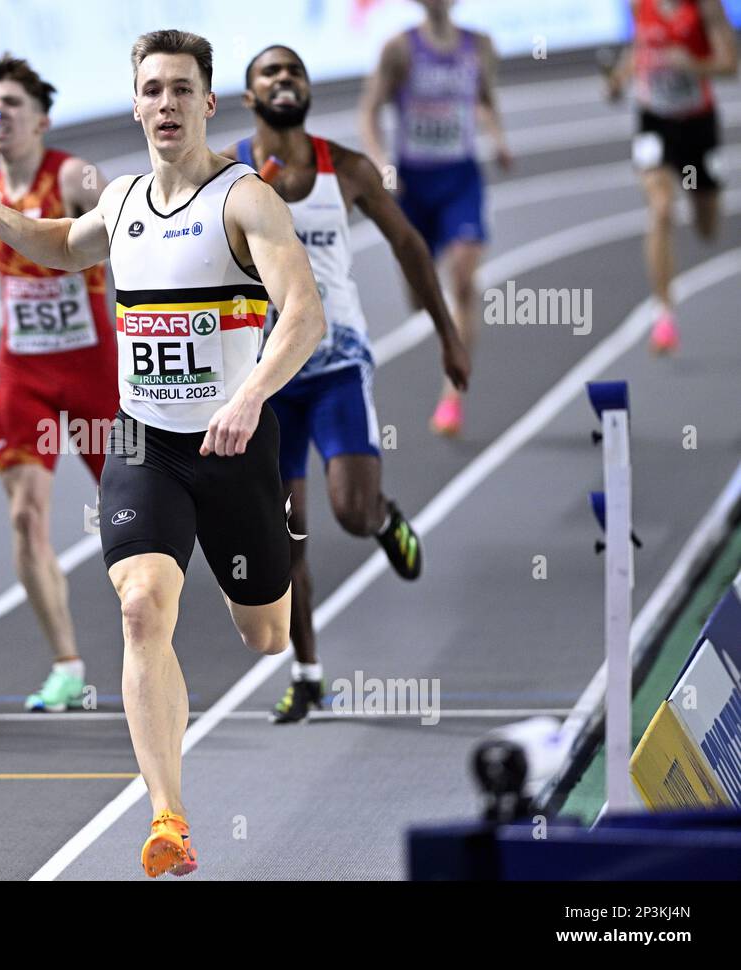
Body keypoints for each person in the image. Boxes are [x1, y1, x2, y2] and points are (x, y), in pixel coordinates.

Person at [0, 29, 326, 877]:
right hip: (142, 438)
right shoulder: (121, 202)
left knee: (266, 635)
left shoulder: (246, 201)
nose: (165, 104)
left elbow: (305, 316)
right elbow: (63, 244)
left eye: (180, 90)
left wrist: (248, 398)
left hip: (232, 443)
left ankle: (259, 576)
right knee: (139, 610)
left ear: (208, 104)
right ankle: (168, 818)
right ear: (135, 103)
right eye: (151, 89)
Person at [224, 45, 470, 723]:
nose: (283, 80)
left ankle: (385, 518)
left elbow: (411, 247)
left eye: (294, 71)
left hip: (335, 364)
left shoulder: (349, 170)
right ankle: (308, 674)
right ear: (249, 98)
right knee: (288, 534)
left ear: (307, 89)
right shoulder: (230, 176)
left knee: (350, 512)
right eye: (268, 74)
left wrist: (449, 336)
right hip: (267, 378)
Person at [0, 54, 117, 713]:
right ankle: (67, 664)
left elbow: (124, 232)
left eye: (14, 101)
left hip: (93, 364)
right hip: (26, 370)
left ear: (41, 118)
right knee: (25, 515)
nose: (2, 112)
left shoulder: (71, 175)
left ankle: (153, 609)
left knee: (134, 505)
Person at [359, 0, 508, 437]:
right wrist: (382, 163)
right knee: (418, 293)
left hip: (460, 177)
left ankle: (451, 398)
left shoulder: (480, 46)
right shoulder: (400, 49)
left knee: (463, 277)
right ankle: (427, 294)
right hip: (413, 184)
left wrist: (497, 138)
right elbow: (370, 110)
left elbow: (485, 99)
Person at [605, 0, 737, 354]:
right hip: (654, 124)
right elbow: (640, 49)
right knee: (661, 208)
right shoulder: (640, 5)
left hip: (696, 128)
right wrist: (618, 80)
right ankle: (663, 314)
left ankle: (699, 197)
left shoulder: (705, 8)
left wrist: (691, 64)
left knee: (707, 226)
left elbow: (729, 65)